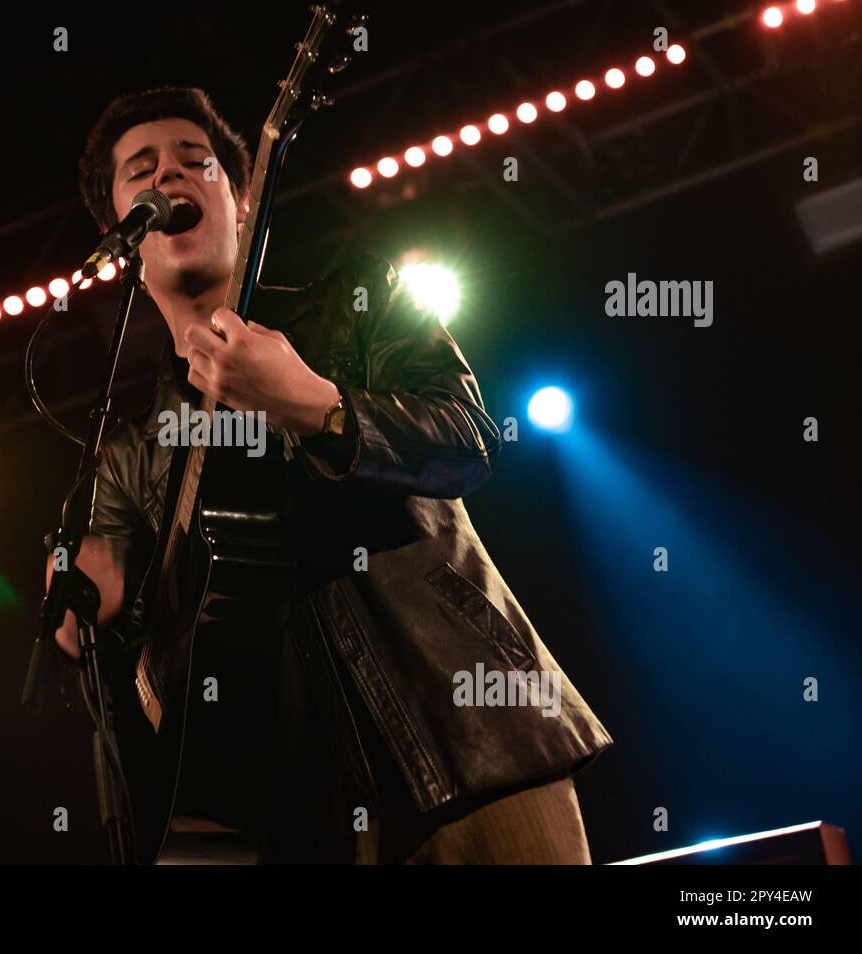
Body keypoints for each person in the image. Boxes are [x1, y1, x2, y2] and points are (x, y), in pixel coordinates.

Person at [46, 86, 612, 864]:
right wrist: (91, 626)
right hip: (298, 812)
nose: (169, 178)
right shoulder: (130, 457)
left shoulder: (360, 297)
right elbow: (143, 663)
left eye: (194, 162)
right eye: (141, 170)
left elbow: (469, 440)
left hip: (471, 735)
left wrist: (313, 403)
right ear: (119, 232)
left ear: (240, 202)